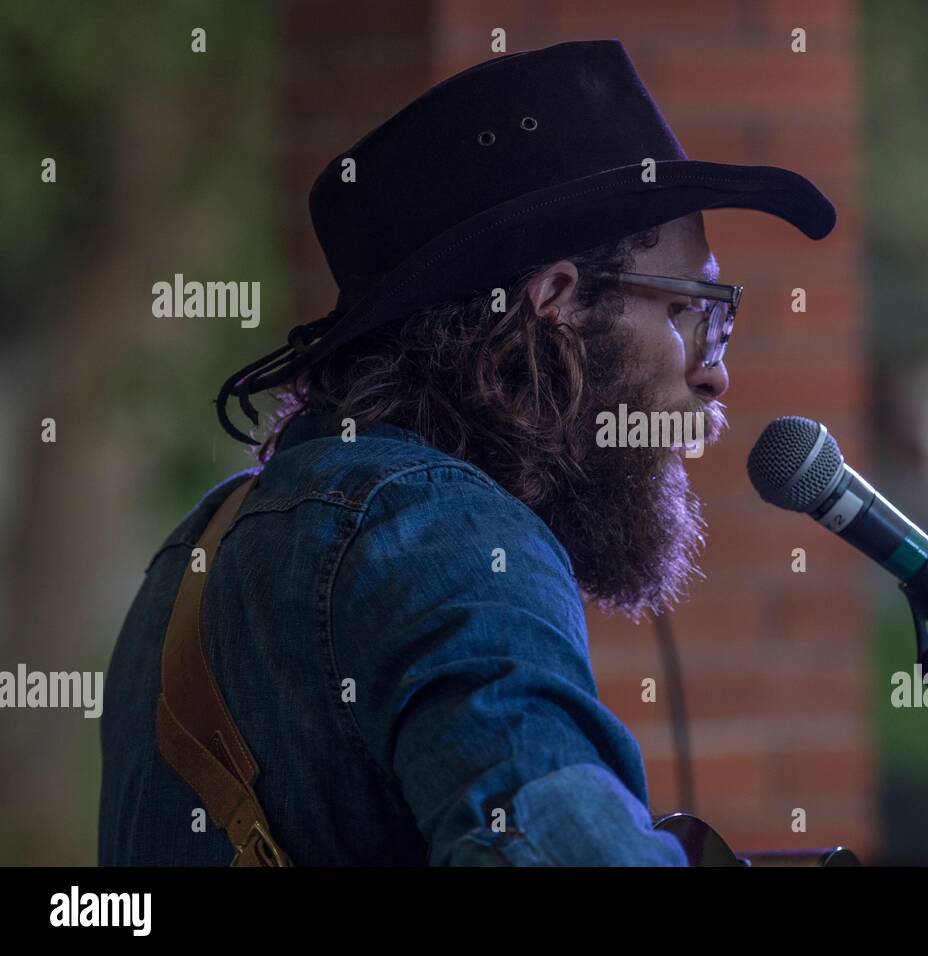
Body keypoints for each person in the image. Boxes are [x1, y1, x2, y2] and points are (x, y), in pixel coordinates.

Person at [99, 38, 835, 865]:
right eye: (693, 311)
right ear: (556, 299)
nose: (718, 372)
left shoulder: (199, 549)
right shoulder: (445, 536)